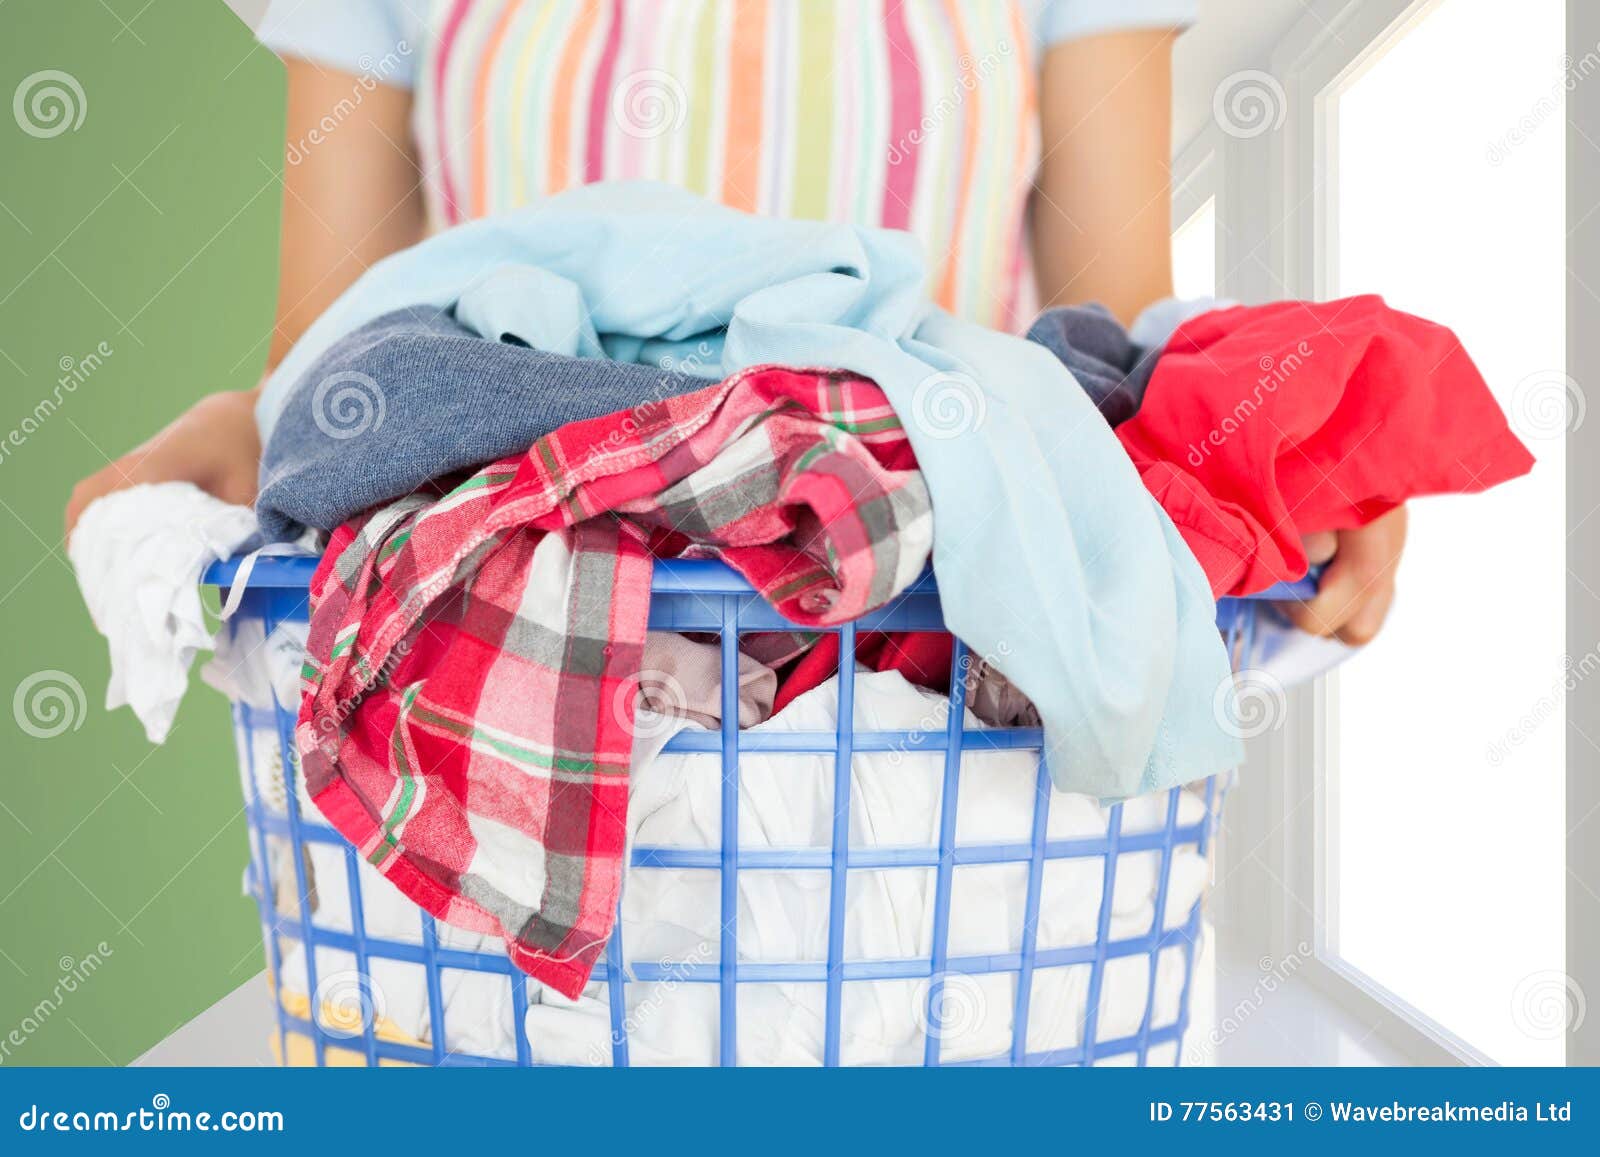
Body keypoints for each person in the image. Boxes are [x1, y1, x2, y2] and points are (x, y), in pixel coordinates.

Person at [63, 0, 1404, 643]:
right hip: (503, 648)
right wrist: (229, 437)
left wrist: (1288, 436)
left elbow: (1107, 352)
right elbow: (340, 372)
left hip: (946, 710)